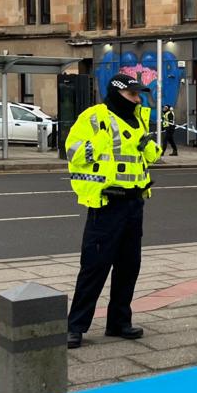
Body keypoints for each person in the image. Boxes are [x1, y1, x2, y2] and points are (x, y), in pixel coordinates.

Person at [64, 74, 162, 349]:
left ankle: (119, 321)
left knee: (129, 267)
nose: (138, 99)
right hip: (106, 203)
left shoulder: (140, 118)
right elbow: (72, 151)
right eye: (133, 95)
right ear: (118, 93)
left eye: (139, 94)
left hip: (134, 202)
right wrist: (102, 144)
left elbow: (149, 155)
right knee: (94, 267)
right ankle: (75, 327)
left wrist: (149, 145)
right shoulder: (95, 117)